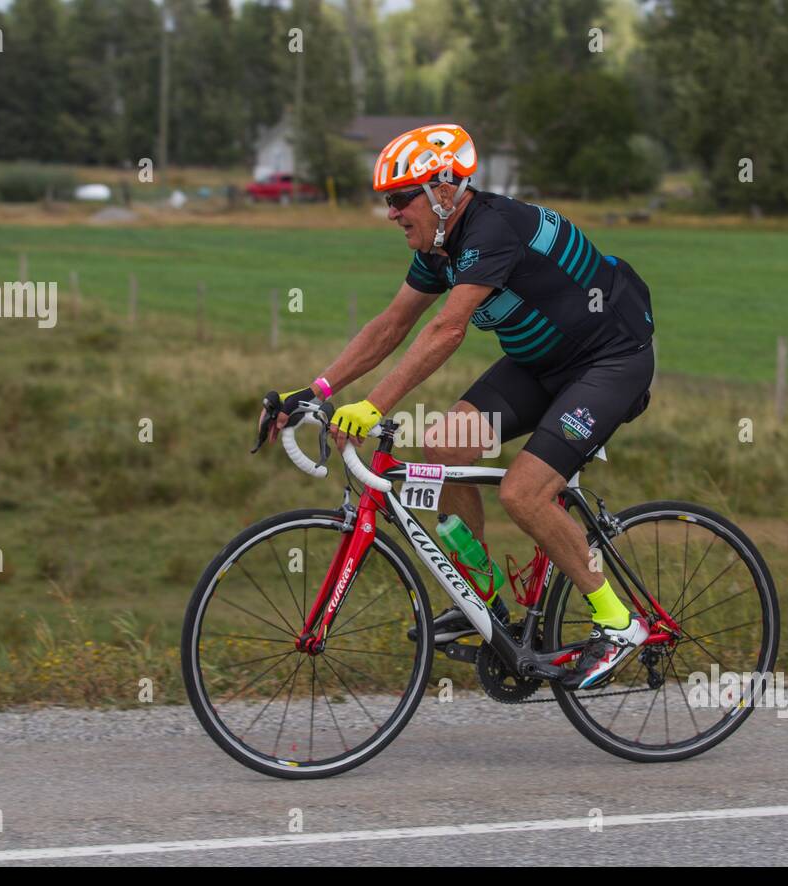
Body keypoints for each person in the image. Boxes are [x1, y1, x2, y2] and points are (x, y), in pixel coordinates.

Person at [258, 123, 655, 690]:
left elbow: (446, 331)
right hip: (540, 365)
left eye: (400, 199)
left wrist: (372, 406)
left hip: (608, 363)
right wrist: (316, 392)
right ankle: (484, 600)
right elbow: (393, 324)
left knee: (524, 492)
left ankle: (619, 623)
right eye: (387, 202)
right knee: (443, 446)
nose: (392, 213)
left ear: (444, 192)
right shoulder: (439, 247)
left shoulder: (492, 230)